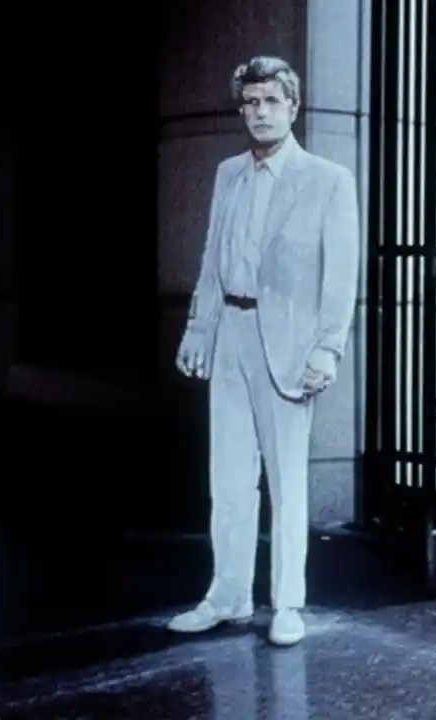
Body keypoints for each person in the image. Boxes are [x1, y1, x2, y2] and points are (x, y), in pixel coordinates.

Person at [169, 55, 360, 646]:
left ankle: (287, 604)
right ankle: (227, 594)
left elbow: (341, 273)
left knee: (285, 477)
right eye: (249, 102)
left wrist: (327, 348)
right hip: (230, 329)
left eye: (270, 101)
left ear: (293, 106)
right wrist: (198, 328)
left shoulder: (328, 179)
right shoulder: (228, 173)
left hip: (289, 342)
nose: (258, 112)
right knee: (227, 475)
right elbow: (211, 257)